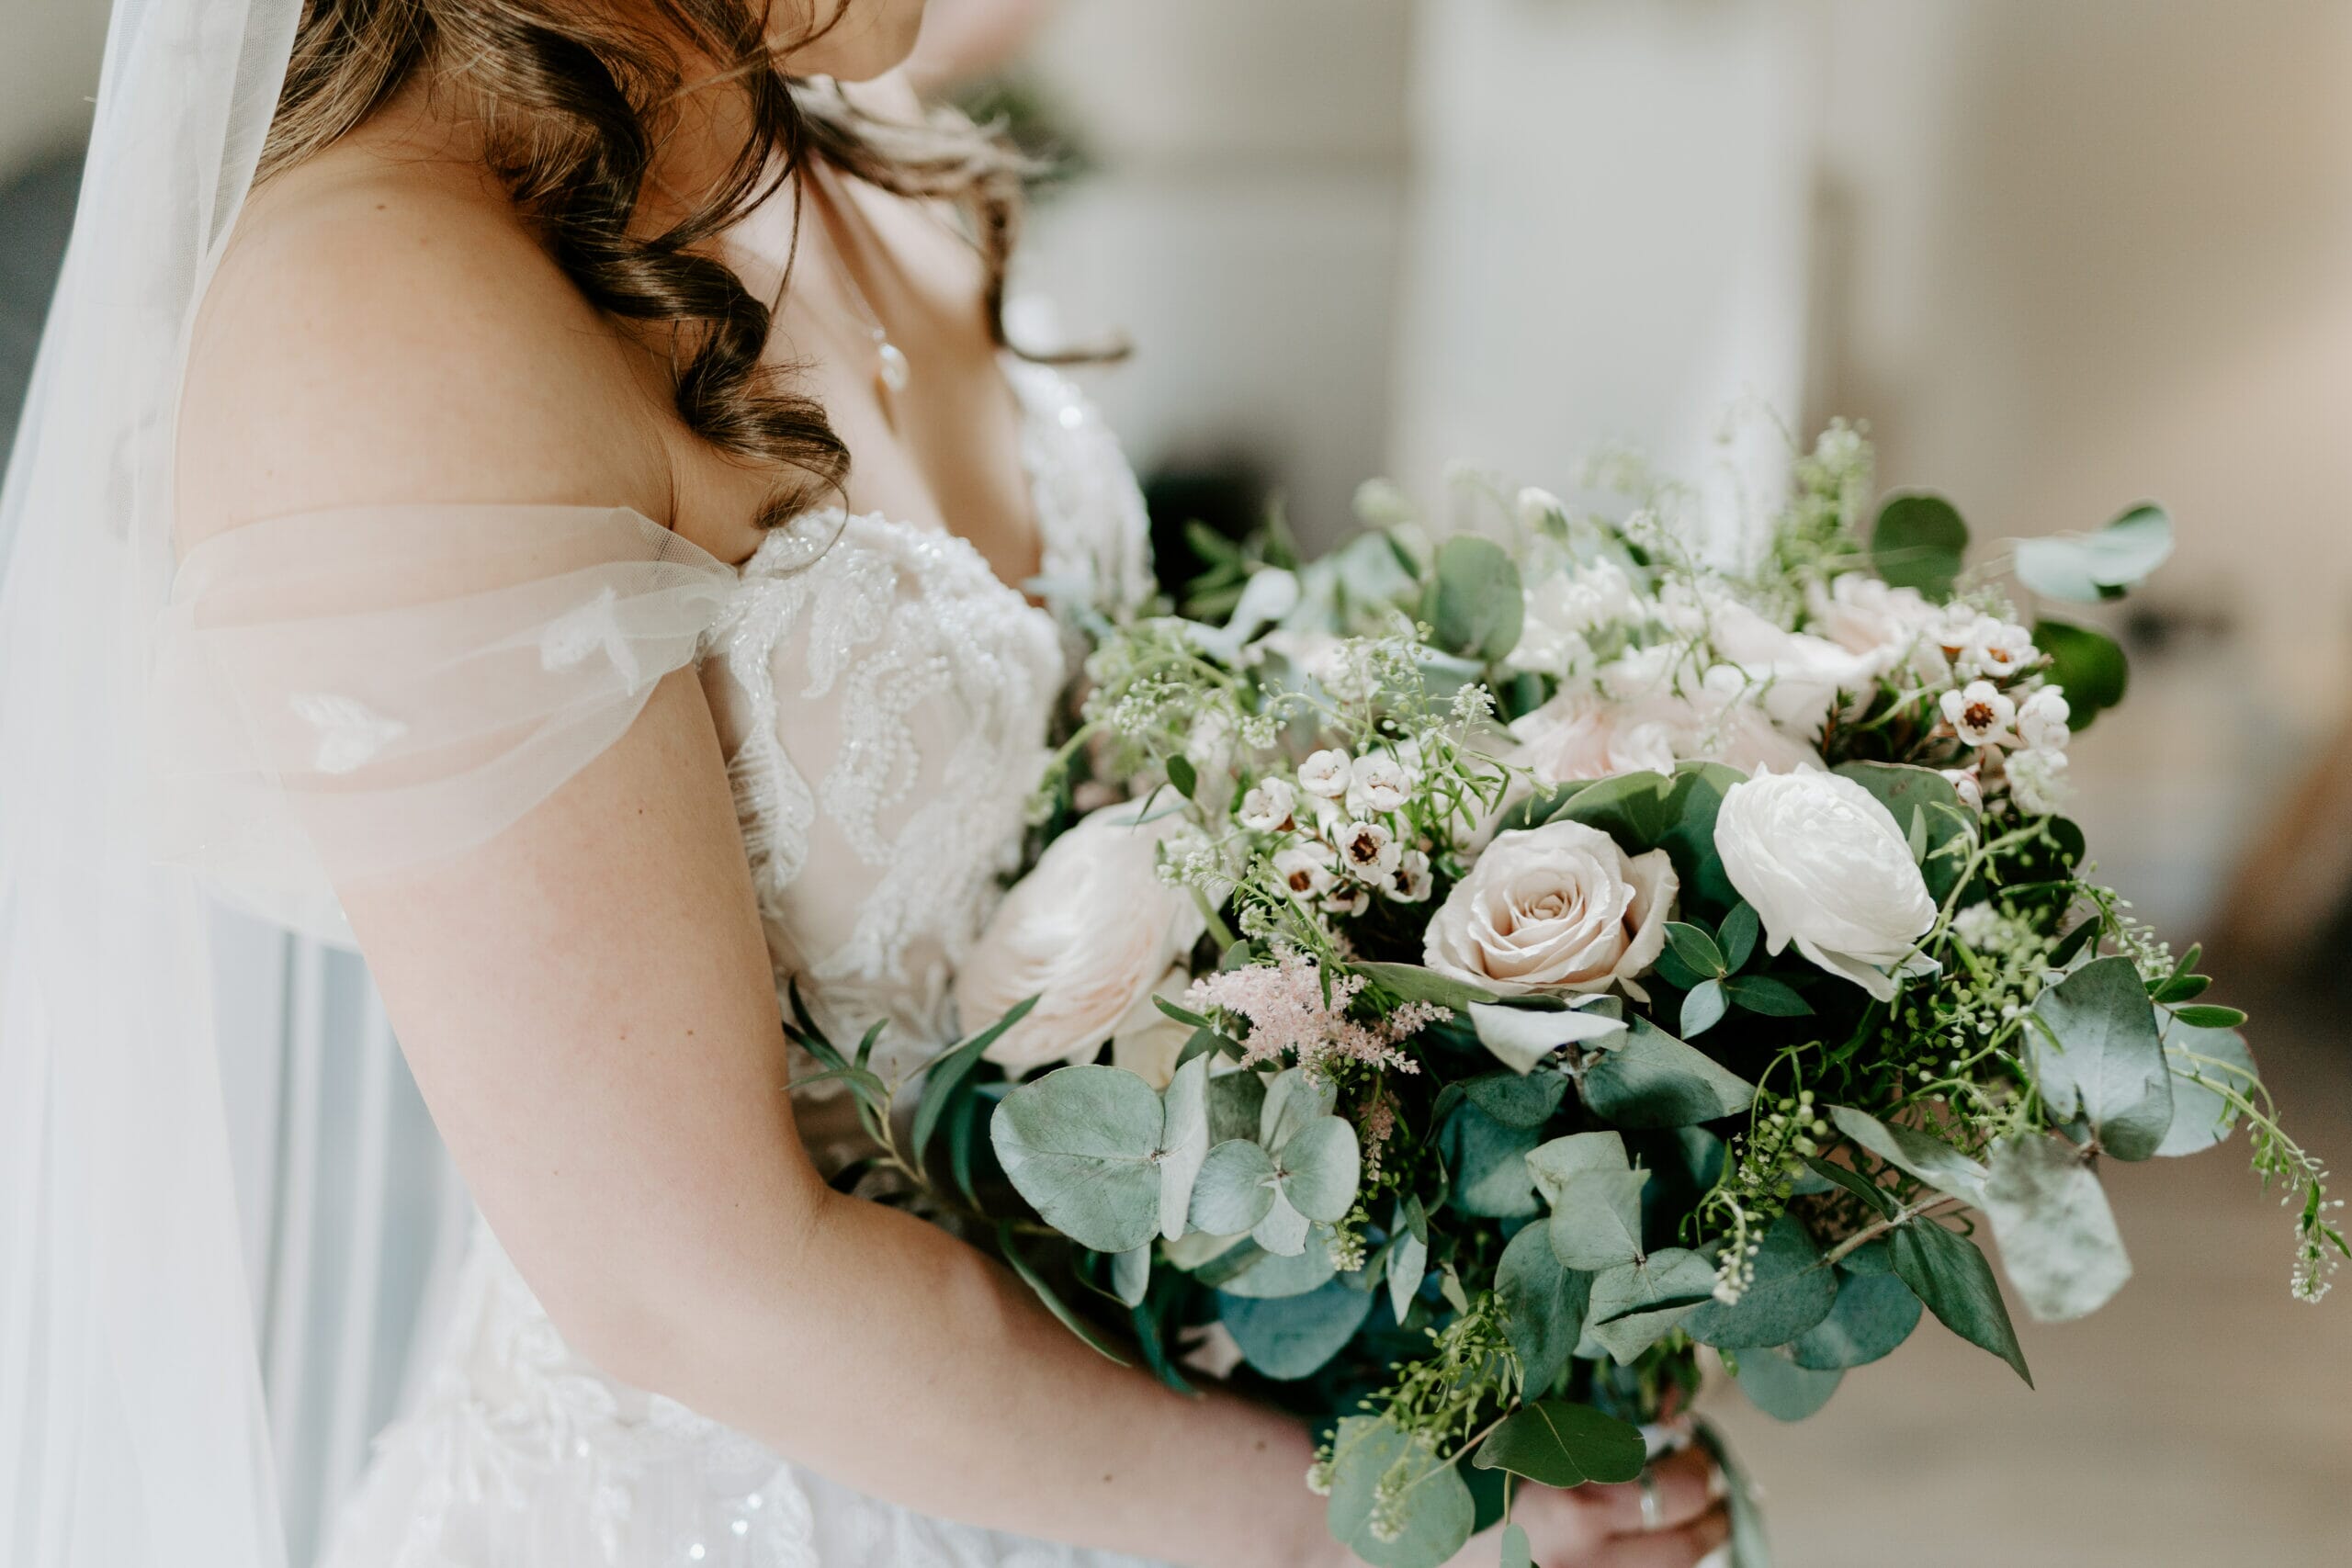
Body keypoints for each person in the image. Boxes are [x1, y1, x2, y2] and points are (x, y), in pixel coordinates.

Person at [0, 3, 1729, 1564]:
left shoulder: (830, 117)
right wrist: (1381, 1524)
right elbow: (685, 1281)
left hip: (1149, 1413)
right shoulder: (378, 312)